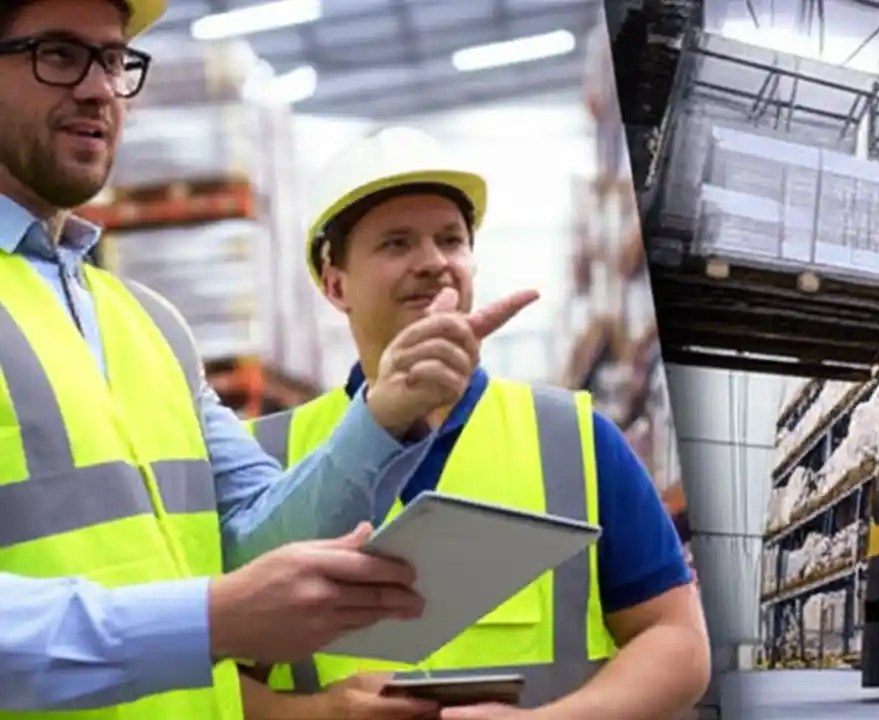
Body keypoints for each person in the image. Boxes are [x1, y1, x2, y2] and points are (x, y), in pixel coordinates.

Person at [0, 1, 534, 716]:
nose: (99, 88)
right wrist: (209, 621)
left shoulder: (148, 324)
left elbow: (256, 538)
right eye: (59, 55)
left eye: (114, 60)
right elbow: (224, 603)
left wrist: (384, 412)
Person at [237, 126, 712, 720]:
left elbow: (678, 640)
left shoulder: (575, 442)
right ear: (336, 284)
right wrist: (322, 714)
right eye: (396, 244)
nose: (433, 262)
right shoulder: (268, 461)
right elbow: (208, 678)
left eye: (450, 240)